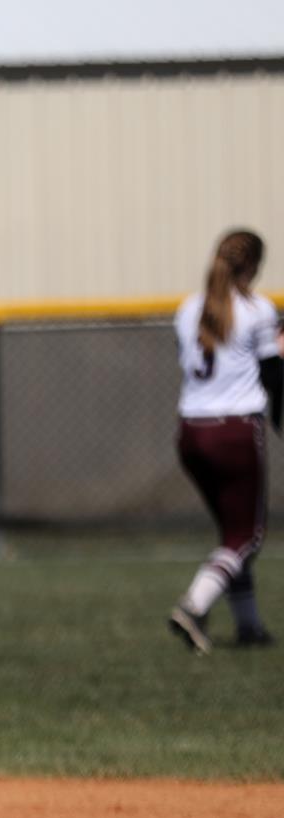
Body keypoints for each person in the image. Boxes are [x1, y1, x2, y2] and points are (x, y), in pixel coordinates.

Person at [167, 229, 283, 654]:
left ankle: (249, 626)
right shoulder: (257, 309)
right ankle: (193, 606)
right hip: (233, 430)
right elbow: (272, 376)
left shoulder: (187, 308)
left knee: (230, 534)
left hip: (190, 433)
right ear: (252, 266)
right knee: (246, 536)